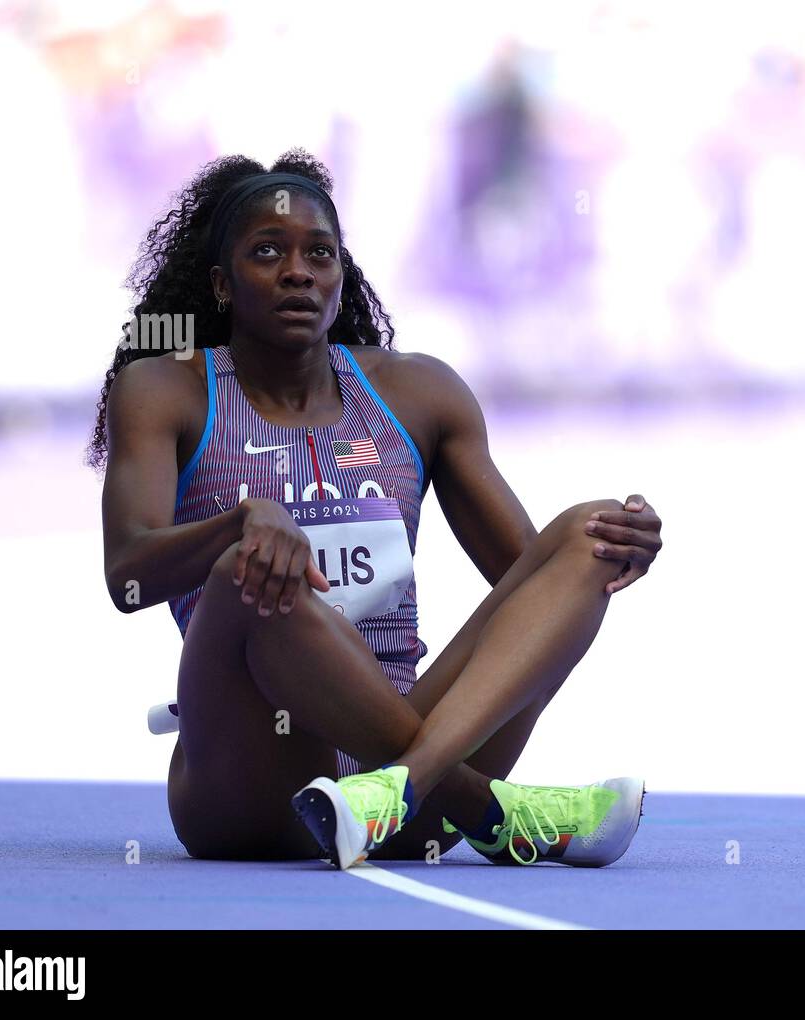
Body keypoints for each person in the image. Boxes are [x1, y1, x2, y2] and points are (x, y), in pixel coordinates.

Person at [89, 149, 665, 869]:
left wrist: (617, 551)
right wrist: (238, 525)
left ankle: (401, 786)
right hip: (253, 780)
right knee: (251, 569)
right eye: (266, 252)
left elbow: (525, 581)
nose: (297, 270)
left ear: (341, 276)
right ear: (223, 285)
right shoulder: (165, 389)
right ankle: (483, 807)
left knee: (589, 532)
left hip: (410, 759)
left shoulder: (420, 394)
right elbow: (127, 577)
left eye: (319, 254)